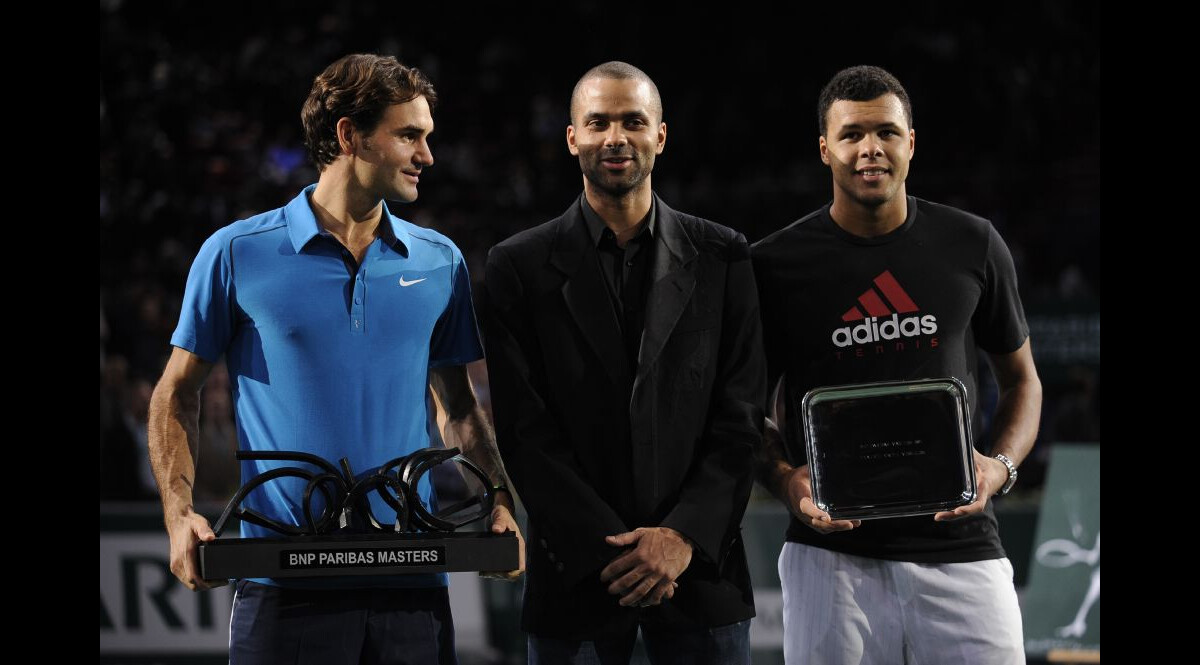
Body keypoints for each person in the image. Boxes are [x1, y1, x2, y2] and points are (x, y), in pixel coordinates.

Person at [147, 53, 524, 665]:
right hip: (282, 587)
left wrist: (501, 500)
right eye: (409, 135)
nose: (427, 154)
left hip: (412, 584)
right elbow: (176, 392)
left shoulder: (440, 260)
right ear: (349, 135)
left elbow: (457, 404)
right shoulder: (236, 253)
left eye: (427, 136)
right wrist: (178, 513)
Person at [751, 65, 1043, 665]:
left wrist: (1001, 468)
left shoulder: (973, 243)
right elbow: (739, 411)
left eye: (886, 131)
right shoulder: (773, 266)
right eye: (852, 134)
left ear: (911, 142)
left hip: (962, 549)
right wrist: (786, 482)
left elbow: (1022, 381)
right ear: (825, 149)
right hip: (829, 557)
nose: (870, 149)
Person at [482, 61, 766, 665]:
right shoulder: (518, 267)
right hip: (578, 578)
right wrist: (608, 550)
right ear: (572, 138)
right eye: (599, 122)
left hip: (700, 573)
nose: (616, 137)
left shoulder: (724, 255)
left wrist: (682, 536)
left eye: (633, 121)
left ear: (660, 136)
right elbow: (524, 432)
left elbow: (741, 415)